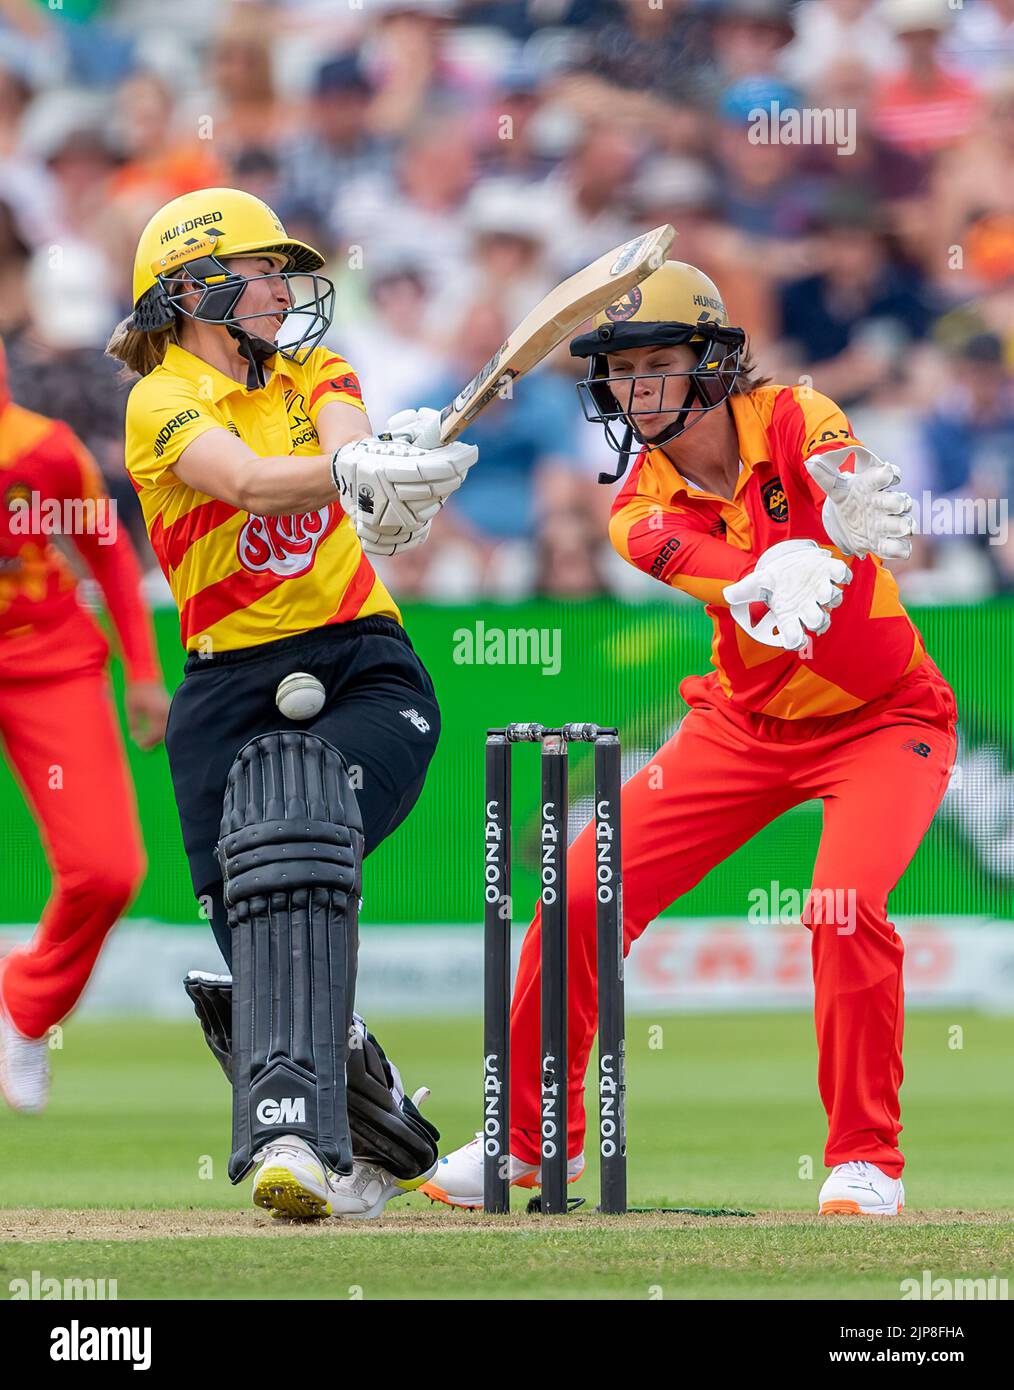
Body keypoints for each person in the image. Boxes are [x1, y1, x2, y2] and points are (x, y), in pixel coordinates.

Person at [423, 261, 957, 1217]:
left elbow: (844, 464)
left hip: (886, 720)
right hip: (740, 727)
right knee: (580, 891)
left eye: (656, 363)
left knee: (841, 908)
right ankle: (532, 1144)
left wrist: (842, 511)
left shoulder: (794, 416)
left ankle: (866, 1161)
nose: (633, 390)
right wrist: (768, 572)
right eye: (620, 372)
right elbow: (728, 576)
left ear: (714, 364)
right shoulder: (636, 508)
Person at [109, 187, 477, 1220]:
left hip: (363, 667)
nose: (283, 286)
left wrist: (383, 469)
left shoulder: (314, 366)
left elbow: (344, 433)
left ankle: (292, 1138)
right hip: (225, 692)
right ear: (192, 289)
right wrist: (354, 471)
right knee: (265, 936)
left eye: (281, 269)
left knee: (299, 828)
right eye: (262, 268)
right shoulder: (161, 396)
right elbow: (250, 482)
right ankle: (380, 1118)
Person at [0, 337, 165, 1113]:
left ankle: (25, 1007)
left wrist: (143, 672)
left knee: (107, 870)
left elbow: (108, 553)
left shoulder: (43, 450)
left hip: (49, 663)